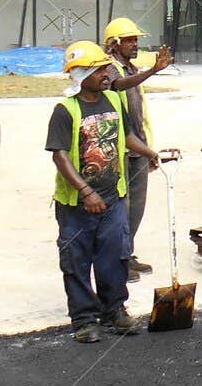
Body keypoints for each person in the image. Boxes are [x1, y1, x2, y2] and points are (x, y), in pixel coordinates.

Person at [47, 41, 159, 344]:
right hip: (77, 204)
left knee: (115, 256)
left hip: (113, 197)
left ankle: (114, 310)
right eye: (99, 69)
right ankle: (84, 319)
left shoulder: (112, 99)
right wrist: (85, 192)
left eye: (106, 68)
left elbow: (128, 137)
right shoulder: (66, 110)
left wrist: (150, 153)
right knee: (77, 261)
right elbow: (60, 156)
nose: (107, 73)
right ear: (81, 75)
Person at [100, 17, 173, 281]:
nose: (135, 45)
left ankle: (127, 255)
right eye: (130, 40)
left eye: (136, 40)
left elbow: (140, 113)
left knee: (137, 207)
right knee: (121, 208)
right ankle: (117, 260)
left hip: (138, 149)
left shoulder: (130, 68)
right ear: (115, 43)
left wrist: (148, 148)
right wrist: (153, 70)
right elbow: (117, 86)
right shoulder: (108, 68)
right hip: (118, 151)